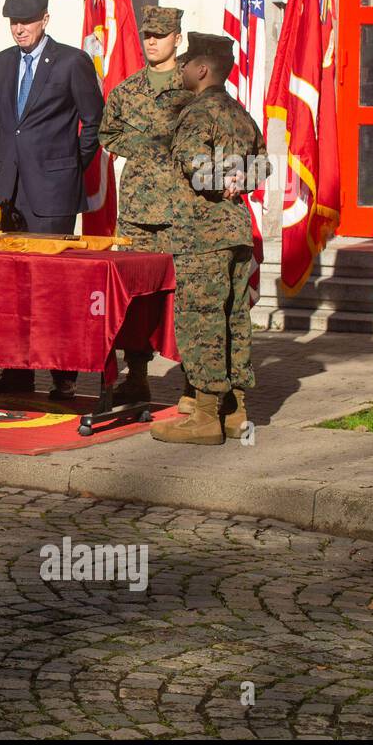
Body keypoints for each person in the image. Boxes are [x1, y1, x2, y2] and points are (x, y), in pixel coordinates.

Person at [0, 0, 104, 399]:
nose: (19, 29)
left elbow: (94, 122)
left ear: (45, 19)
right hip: (9, 193)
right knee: (12, 285)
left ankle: (61, 373)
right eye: (14, 22)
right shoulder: (0, 63)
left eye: (27, 21)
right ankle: (16, 371)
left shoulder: (71, 62)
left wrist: (66, 169)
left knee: (53, 287)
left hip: (53, 194)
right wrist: (13, 165)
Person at [151, 32, 268, 445]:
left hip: (203, 236)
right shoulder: (239, 113)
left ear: (202, 70)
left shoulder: (199, 112)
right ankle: (235, 411)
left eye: (186, 62)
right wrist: (238, 180)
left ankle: (203, 415)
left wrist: (220, 181)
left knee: (201, 320)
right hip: (235, 233)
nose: (180, 68)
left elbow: (195, 168)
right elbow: (264, 167)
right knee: (234, 318)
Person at [99, 5, 194, 405]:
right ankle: (136, 376)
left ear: (177, 37)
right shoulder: (127, 90)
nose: (152, 41)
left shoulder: (193, 87)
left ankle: (195, 383)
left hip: (181, 212)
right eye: (147, 35)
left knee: (186, 296)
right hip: (138, 213)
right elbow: (108, 133)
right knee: (135, 301)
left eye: (160, 35)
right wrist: (142, 148)